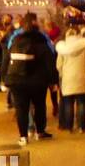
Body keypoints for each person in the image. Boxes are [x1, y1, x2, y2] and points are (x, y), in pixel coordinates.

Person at [5, 14, 54, 146]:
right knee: (39, 106)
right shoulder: (42, 41)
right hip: (37, 80)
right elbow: (50, 61)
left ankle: (23, 136)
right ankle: (40, 132)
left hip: (17, 80)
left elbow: (6, 58)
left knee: (21, 109)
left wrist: (4, 77)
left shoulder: (15, 40)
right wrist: (53, 80)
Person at [55, 22, 85, 133]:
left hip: (67, 78)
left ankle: (69, 126)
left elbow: (59, 64)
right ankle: (81, 126)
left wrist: (62, 74)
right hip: (81, 76)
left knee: (68, 103)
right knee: (81, 102)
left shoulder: (62, 47)